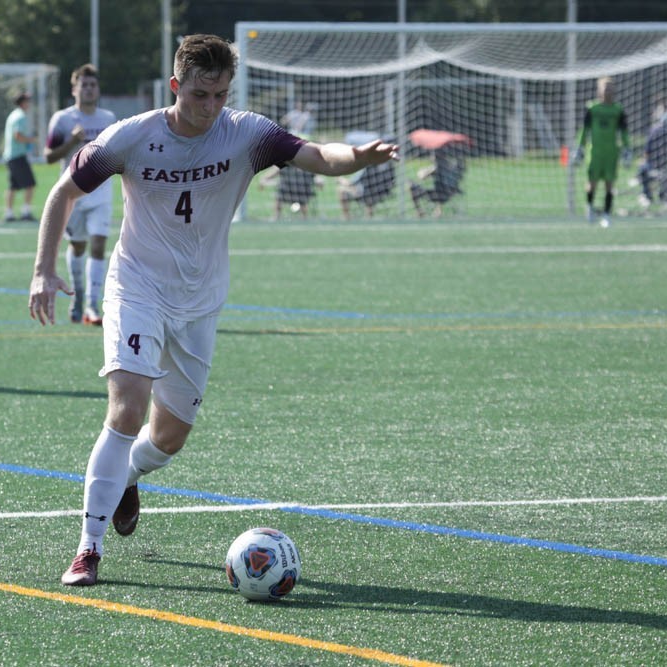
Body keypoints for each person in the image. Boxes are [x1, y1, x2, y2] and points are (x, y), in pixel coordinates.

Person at [28, 33, 398, 586]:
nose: (211, 106)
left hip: (200, 304)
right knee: (127, 409)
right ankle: (88, 548)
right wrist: (43, 267)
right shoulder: (132, 137)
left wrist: (356, 160)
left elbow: (317, 155)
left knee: (169, 437)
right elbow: (63, 192)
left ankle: (128, 477)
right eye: (201, 94)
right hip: (138, 288)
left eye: (221, 94)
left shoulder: (247, 134)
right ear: (177, 86)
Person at [44, 64, 117, 325]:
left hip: (101, 193)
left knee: (98, 245)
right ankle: (78, 294)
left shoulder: (108, 118)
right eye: (84, 85)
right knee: (78, 246)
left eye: (93, 85)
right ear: (74, 89)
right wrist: (72, 141)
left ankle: (91, 307)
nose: (89, 89)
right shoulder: (63, 119)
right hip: (73, 194)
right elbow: (49, 157)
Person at [574, 76, 630, 228]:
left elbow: (624, 132)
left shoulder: (618, 110)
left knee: (610, 185)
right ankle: (590, 208)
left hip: (611, 153)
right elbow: (584, 130)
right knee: (591, 184)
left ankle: (606, 215)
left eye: (611, 88)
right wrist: (580, 148)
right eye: (605, 88)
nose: (608, 91)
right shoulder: (592, 108)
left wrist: (627, 149)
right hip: (595, 153)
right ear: (599, 90)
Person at [2, 91, 37, 222]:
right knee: (30, 184)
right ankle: (26, 212)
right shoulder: (20, 116)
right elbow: (17, 135)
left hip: (11, 156)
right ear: (22, 103)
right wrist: (31, 140)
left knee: (13, 186)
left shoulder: (14, 115)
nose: (29, 104)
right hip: (17, 156)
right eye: (27, 101)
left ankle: (9, 213)